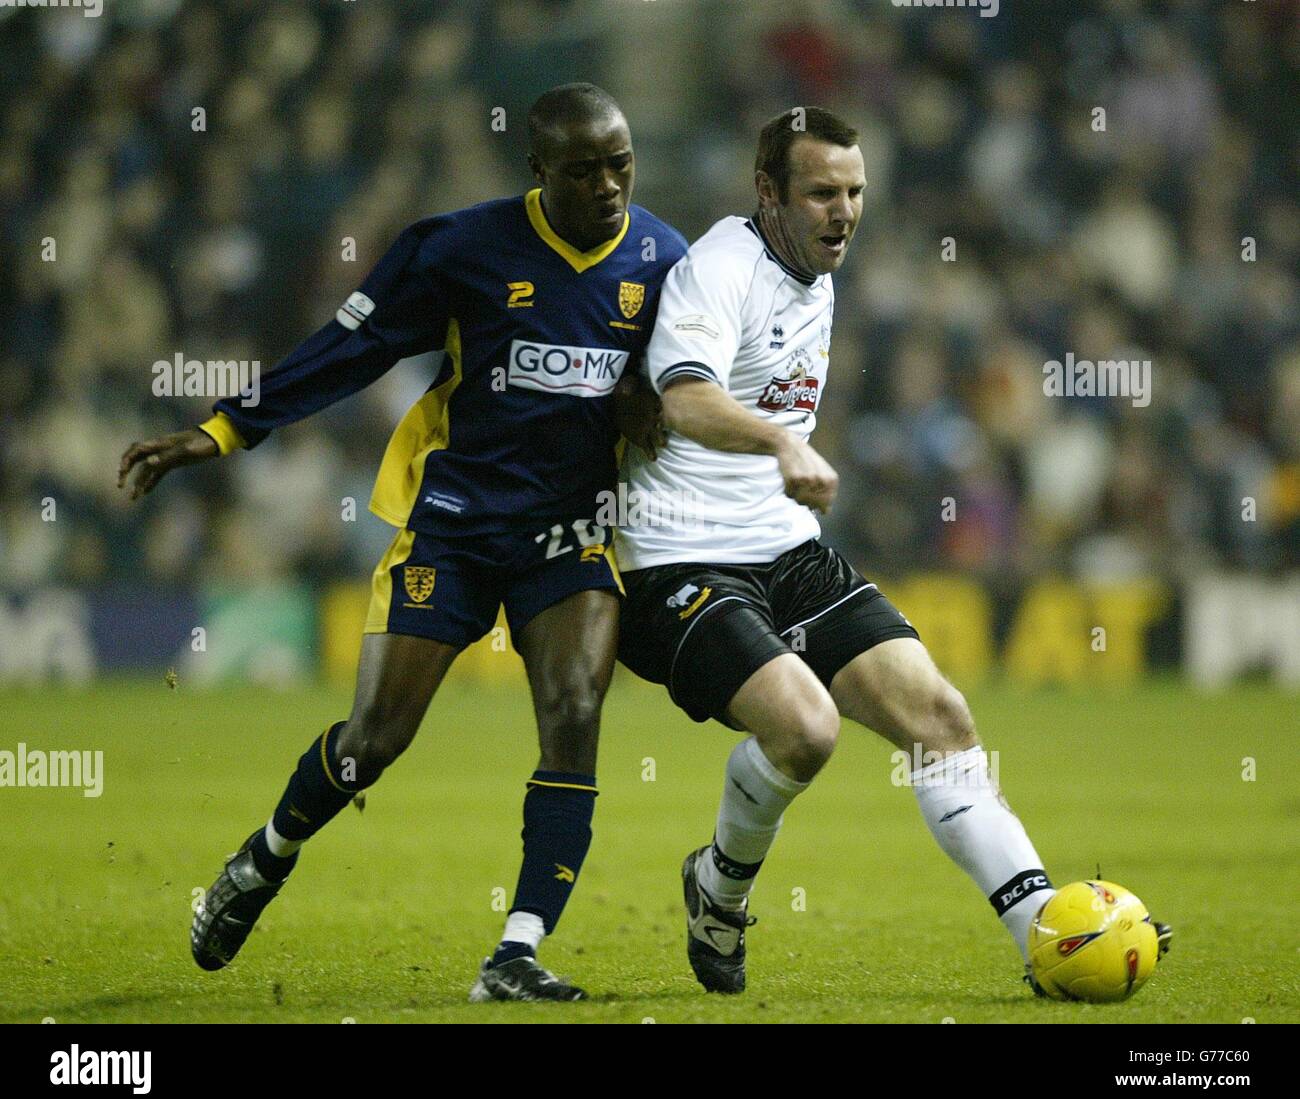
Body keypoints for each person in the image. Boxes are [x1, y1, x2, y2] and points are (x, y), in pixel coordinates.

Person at [118, 83, 687, 1002]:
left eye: (621, 165)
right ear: (537, 170)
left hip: (569, 531)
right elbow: (350, 348)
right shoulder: (460, 247)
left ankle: (516, 951)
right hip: (453, 525)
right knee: (372, 745)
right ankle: (264, 859)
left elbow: (693, 378)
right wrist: (222, 431)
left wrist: (657, 409)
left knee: (577, 707)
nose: (610, 187)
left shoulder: (666, 258)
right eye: (584, 172)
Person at [614, 107, 1169, 994]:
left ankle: (1047, 937)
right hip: (678, 560)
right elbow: (683, 397)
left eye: (856, 192)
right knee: (806, 732)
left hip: (786, 552)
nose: (845, 212)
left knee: (942, 720)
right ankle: (719, 887)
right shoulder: (720, 270)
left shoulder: (816, 271)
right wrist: (783, 444)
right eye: (822, 193)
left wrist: (783, 459)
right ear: (769, 193)